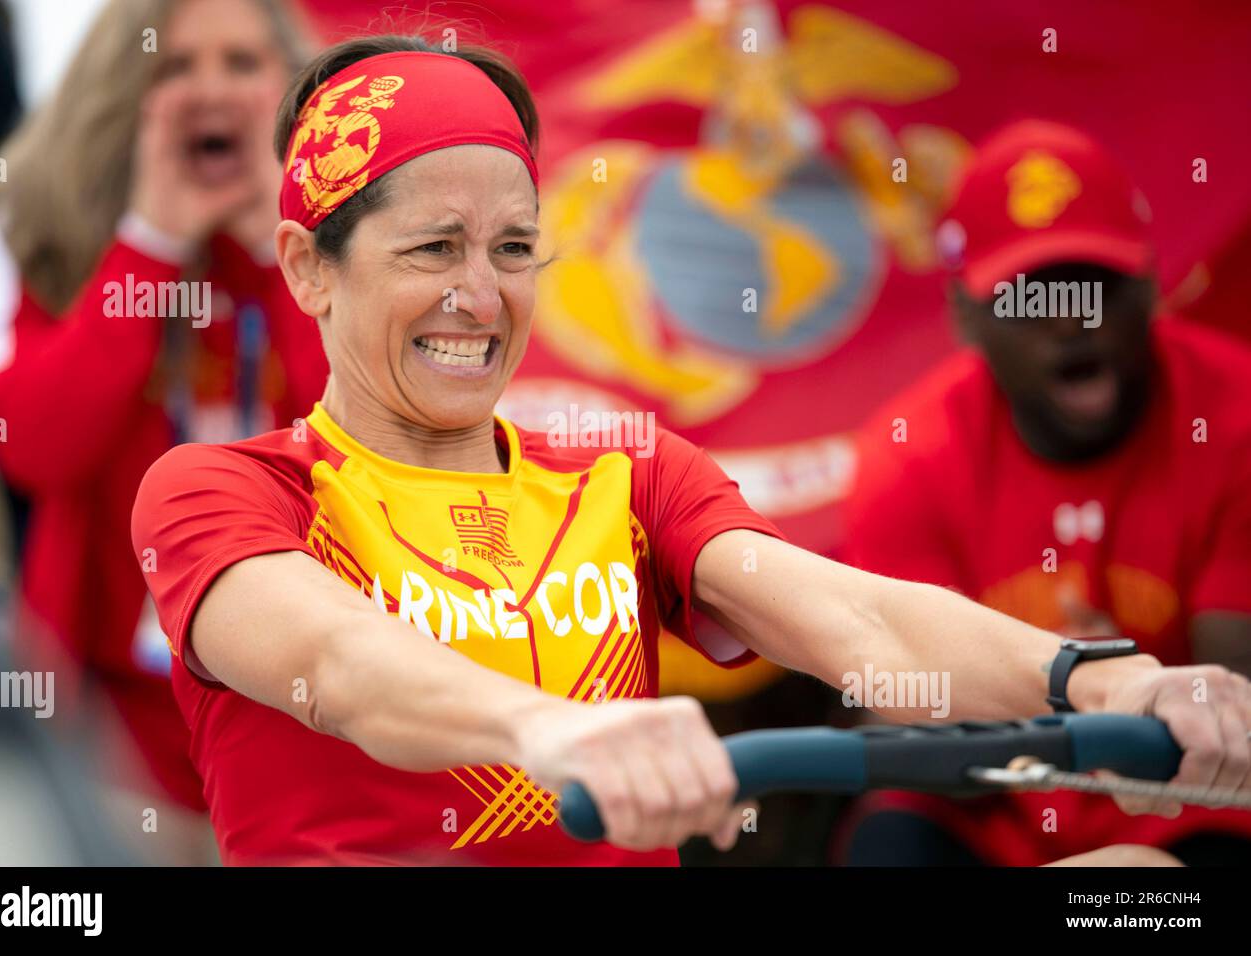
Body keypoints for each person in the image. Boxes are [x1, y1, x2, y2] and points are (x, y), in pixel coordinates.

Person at [131, 39, 1251, 866]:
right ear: (309, 266)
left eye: (514, 246)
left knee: (1135, 883)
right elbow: (333, 665)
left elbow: (859, 618)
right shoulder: (221, 492)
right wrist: (552, 730)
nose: (480, 295)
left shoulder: (628, 468)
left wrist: (1106, 675)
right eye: (433, 245)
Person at [0, 0, 321, 862]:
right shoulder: (39, 221)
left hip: (305, 704)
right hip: (110, 722)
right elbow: (31, 447)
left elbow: (375, 436)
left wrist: (285, 256)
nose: (211, 90)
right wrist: (150, 244)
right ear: (125, 88)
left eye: (241, 63)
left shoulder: (343, 234)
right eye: (174, 66)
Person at [837, 120, 1251, 866]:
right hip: (988, 821)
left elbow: (1236, 716)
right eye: (1028, 294)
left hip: (1191, 816)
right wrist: (1083, 686)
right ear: (964, 315)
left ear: (1152, 282)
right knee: (889, 836)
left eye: (1095, 284)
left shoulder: (1235, 421)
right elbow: (902, 730)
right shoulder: (906, 454)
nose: (1069, 318)